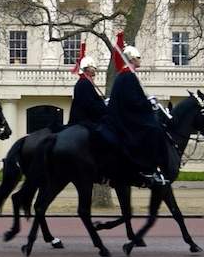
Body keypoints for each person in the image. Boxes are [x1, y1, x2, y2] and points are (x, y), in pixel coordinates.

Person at [96, 46, 170, 186]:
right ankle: (150, 168)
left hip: (126, 114)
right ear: (132, 59)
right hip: (127, 117)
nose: (140, 60)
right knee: (154, 129)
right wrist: (148, 103)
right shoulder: (128, 75)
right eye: (138, 57)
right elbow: (133, 100)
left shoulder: (126, 74)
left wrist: (147, 101)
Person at [67, 57, 107, 127]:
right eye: (93, 67)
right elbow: (90, 104)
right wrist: (104, 107)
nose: (95, 70)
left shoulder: (85, 82)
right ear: (87, 69)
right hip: (85, 122)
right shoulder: (84, 83)